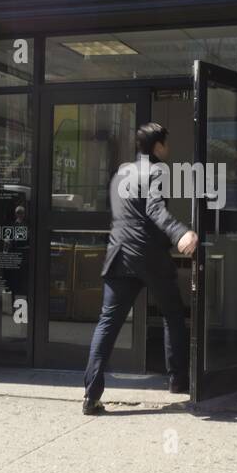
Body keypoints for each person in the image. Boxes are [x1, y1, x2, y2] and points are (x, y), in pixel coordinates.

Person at [83, 122, 198, 415]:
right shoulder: (158, 170)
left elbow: (120, 213)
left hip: (120, 254)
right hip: (149, 255)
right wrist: (179, 233)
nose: (167, 149)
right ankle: (177, 381)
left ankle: (91, 395)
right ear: (158, 146)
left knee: (107, 323)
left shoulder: (121, 172)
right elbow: (155, 209)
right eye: (166, 144)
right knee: (173, 313)